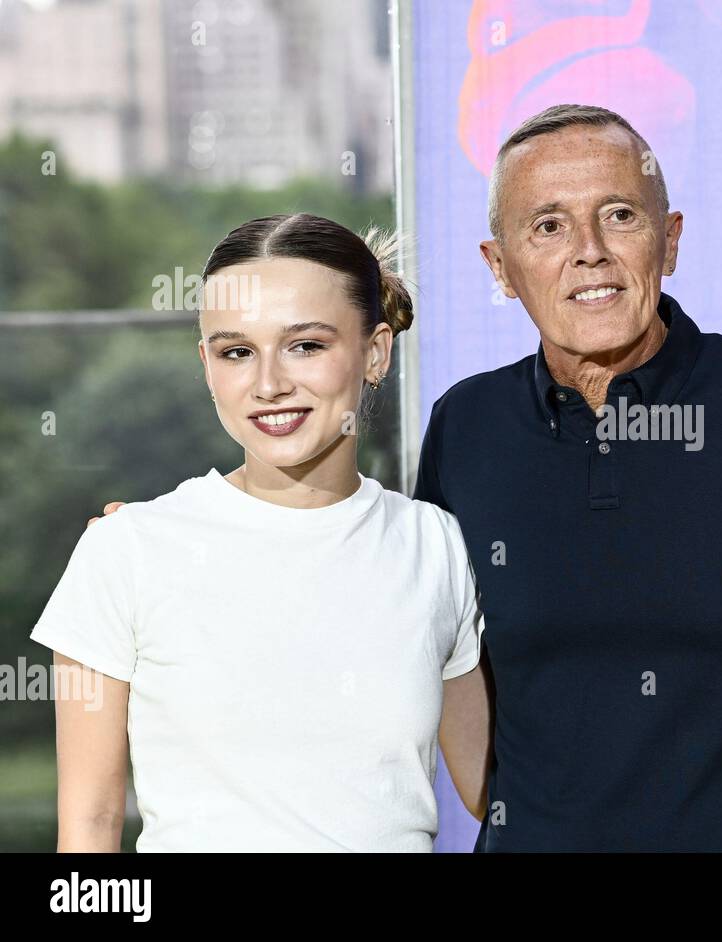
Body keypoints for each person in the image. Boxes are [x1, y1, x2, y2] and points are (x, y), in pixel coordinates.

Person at [416, 105, 722, 851]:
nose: (590, 253)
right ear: (499, 266)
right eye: (548, 226)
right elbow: (421, 630)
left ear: (669, 242)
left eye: (619, 216)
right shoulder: (465, 424)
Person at [32, 213, 485, 852]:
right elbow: (88, 830)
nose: (269, 384)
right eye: (236, 351)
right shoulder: (125, 552)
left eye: (306, 345)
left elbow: (503, 792)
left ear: (375, 352)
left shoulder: (437, 547)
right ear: (206, 363)